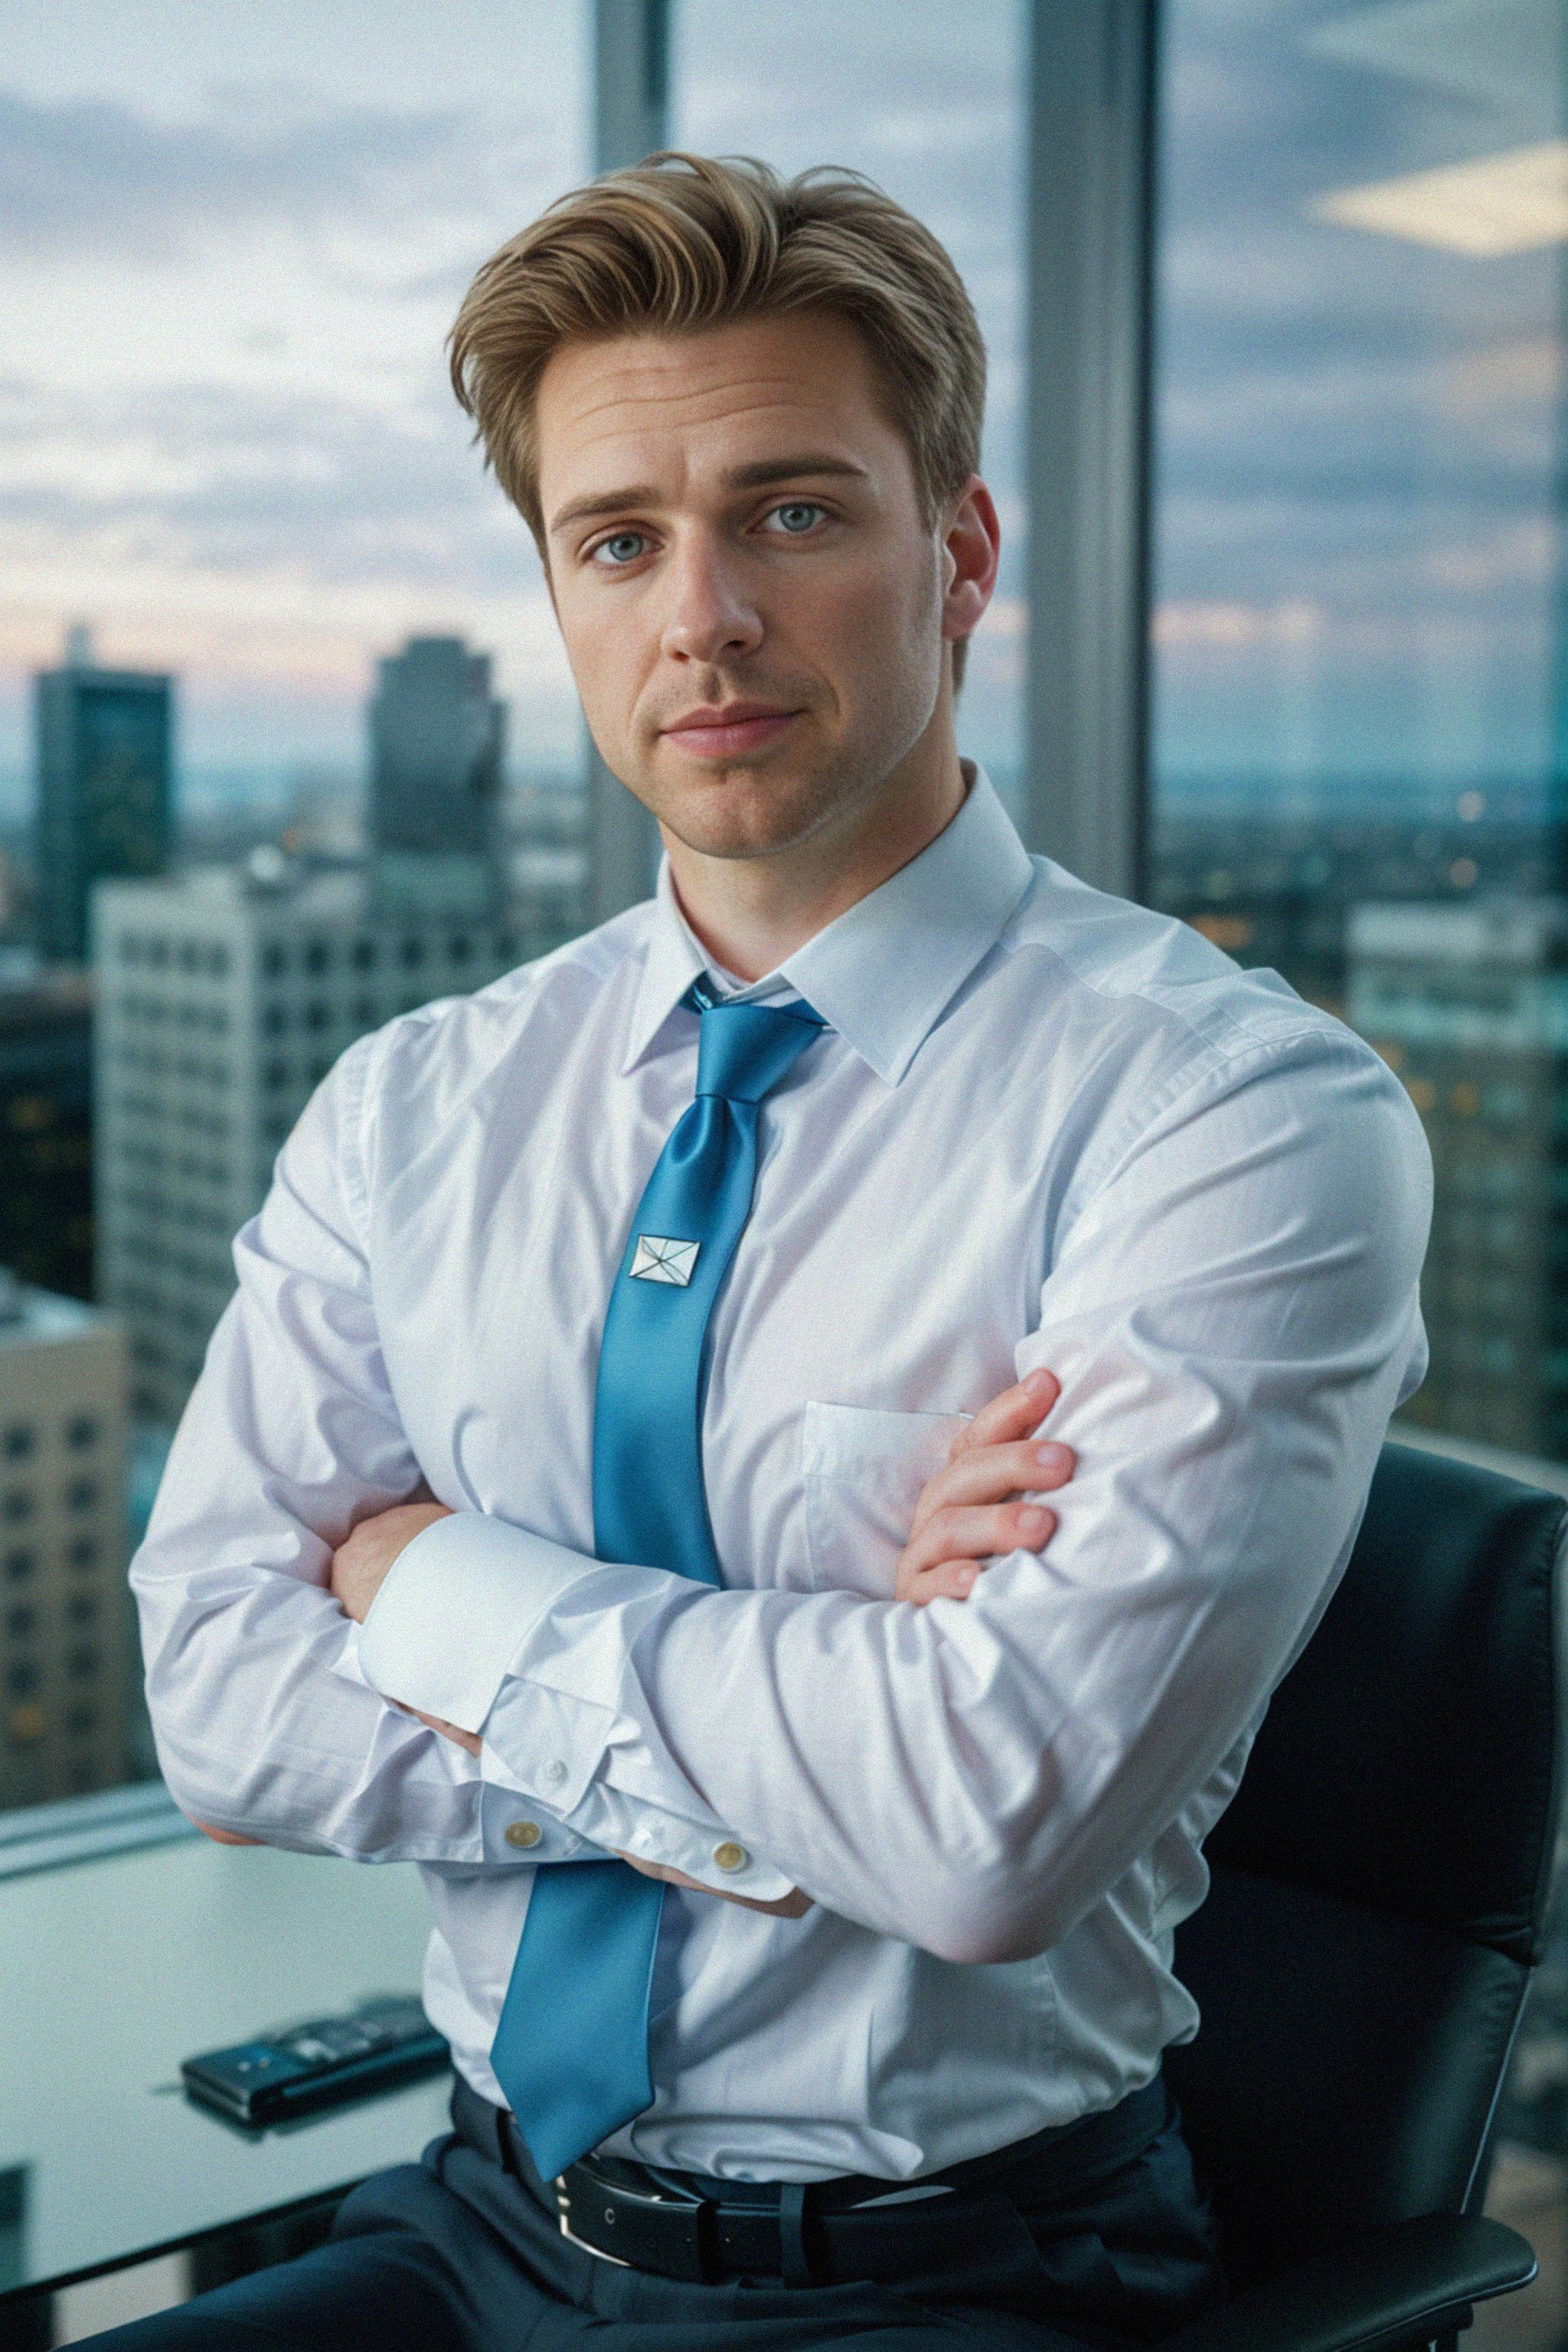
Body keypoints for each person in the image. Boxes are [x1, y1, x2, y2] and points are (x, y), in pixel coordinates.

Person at [94, 153, 1431, 2350]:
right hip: (477, 2215)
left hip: (957, 2278)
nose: (698, 614)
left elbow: (985, 1831)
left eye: (793, 513)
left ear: (964, 552)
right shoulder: (420, 1103)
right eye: (618, 541)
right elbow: (223, 1708)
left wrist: (426, 1578)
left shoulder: (1234, 1119)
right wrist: (820, 1665)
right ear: (559, 599)